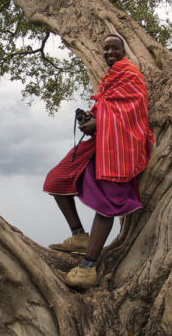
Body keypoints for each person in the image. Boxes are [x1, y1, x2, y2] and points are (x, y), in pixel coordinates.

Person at [43, 34, 154, 288]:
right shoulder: (109, 79)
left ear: (123, 50)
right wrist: (89, 120)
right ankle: (79, 236)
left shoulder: (130, 75)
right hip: (100, 145)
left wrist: (99, 122)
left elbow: (132, 114)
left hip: (121, 150)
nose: (109, 51)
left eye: (114, 47)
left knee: (107, 206)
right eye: (106, 48)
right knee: (57, 179)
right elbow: (109, 109)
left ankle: (88, 269)